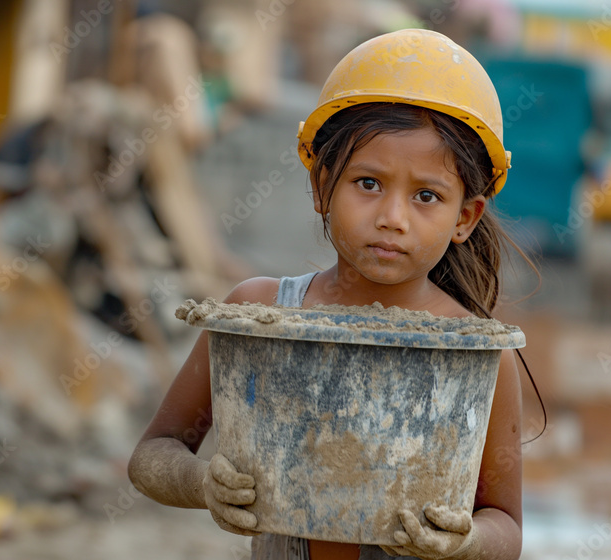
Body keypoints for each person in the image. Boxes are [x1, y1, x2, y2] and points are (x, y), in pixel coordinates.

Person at [128, 28, 529, 560]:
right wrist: (203, 484)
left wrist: (469, 540)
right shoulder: (260, 314)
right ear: (321, 186)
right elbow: (153, 454)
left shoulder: (479, 354)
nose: (392, 218)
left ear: (465, 217)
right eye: (367, 183)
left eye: (426, 196)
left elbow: (505, 525)